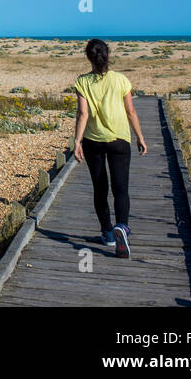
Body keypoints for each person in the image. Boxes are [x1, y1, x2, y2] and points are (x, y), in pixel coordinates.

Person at [72, 38, 147, 258]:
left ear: (89, 58)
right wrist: (140, 137)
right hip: (119, 140)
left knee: (100, 187)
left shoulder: (82, 82)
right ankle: (121, 227)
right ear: (108, 55)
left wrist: (77, 141)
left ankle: (107, 232)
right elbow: (131, 111)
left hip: (93, 140)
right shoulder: (121, 80)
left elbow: (83, 114)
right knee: (121, 187)